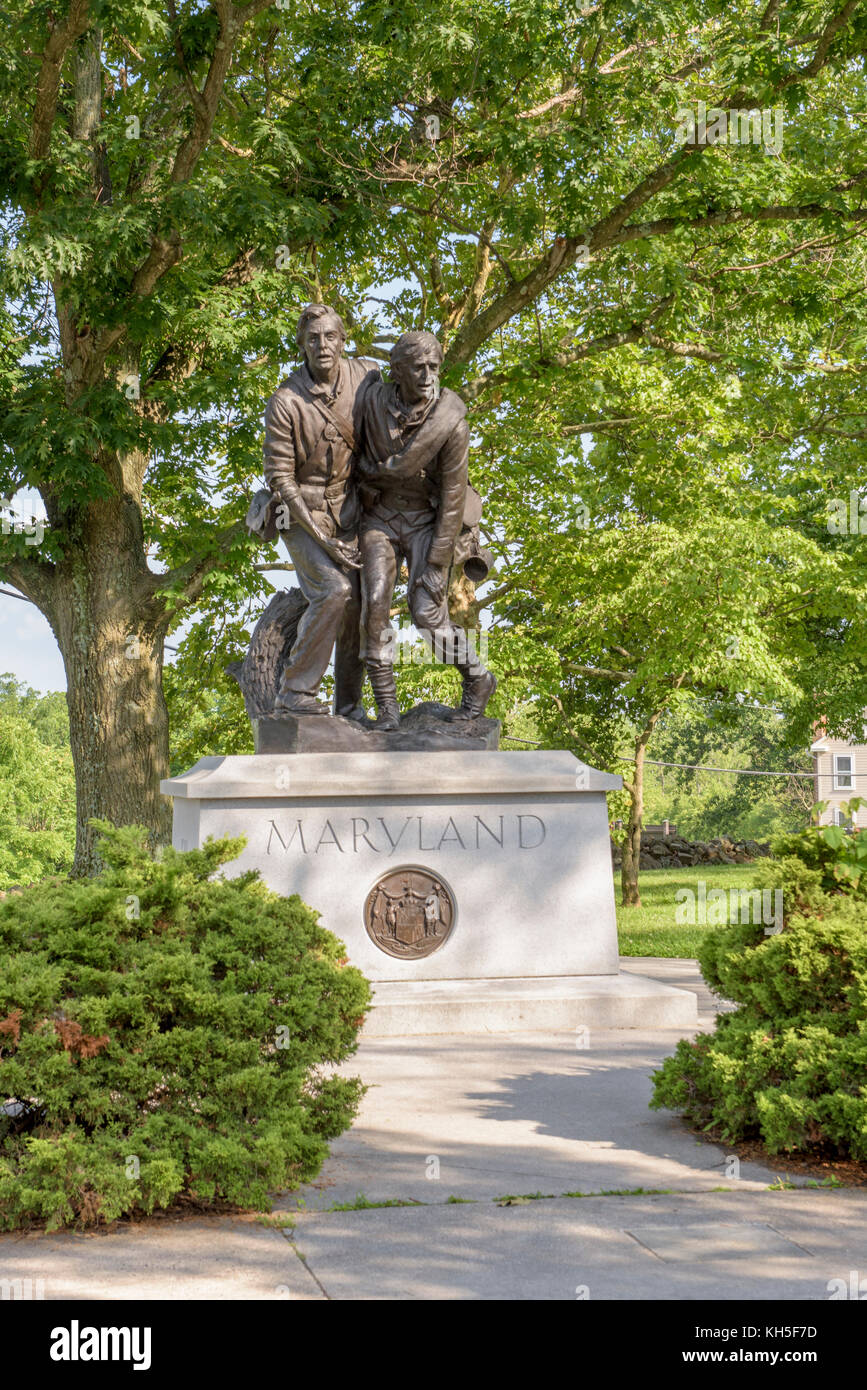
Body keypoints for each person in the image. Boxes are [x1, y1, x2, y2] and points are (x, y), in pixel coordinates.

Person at [356, 330, 496, 729]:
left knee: (426, 615)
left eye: (434, 366)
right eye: (417, 367)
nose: (427, 375)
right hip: (379, 517)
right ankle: (387, 709)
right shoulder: (373, 401)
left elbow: (453, 499)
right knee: (375, 606)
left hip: (425, 522)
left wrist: (436, 565)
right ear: (397, 370)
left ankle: (479, 679)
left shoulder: (452, 425)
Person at [262, 303, 378, 717]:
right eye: (313, 339)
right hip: (301, 514)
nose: (323, 345)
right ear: (302, 346)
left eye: (330, 337)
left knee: (362, 605)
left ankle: (350, 707)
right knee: (334, 591)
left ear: (343, 341)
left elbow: (400, 425)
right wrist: (324, 540)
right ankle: (295, 693)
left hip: (354, 509)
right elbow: (280, 478)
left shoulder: (366, 376)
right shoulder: (285, 401)